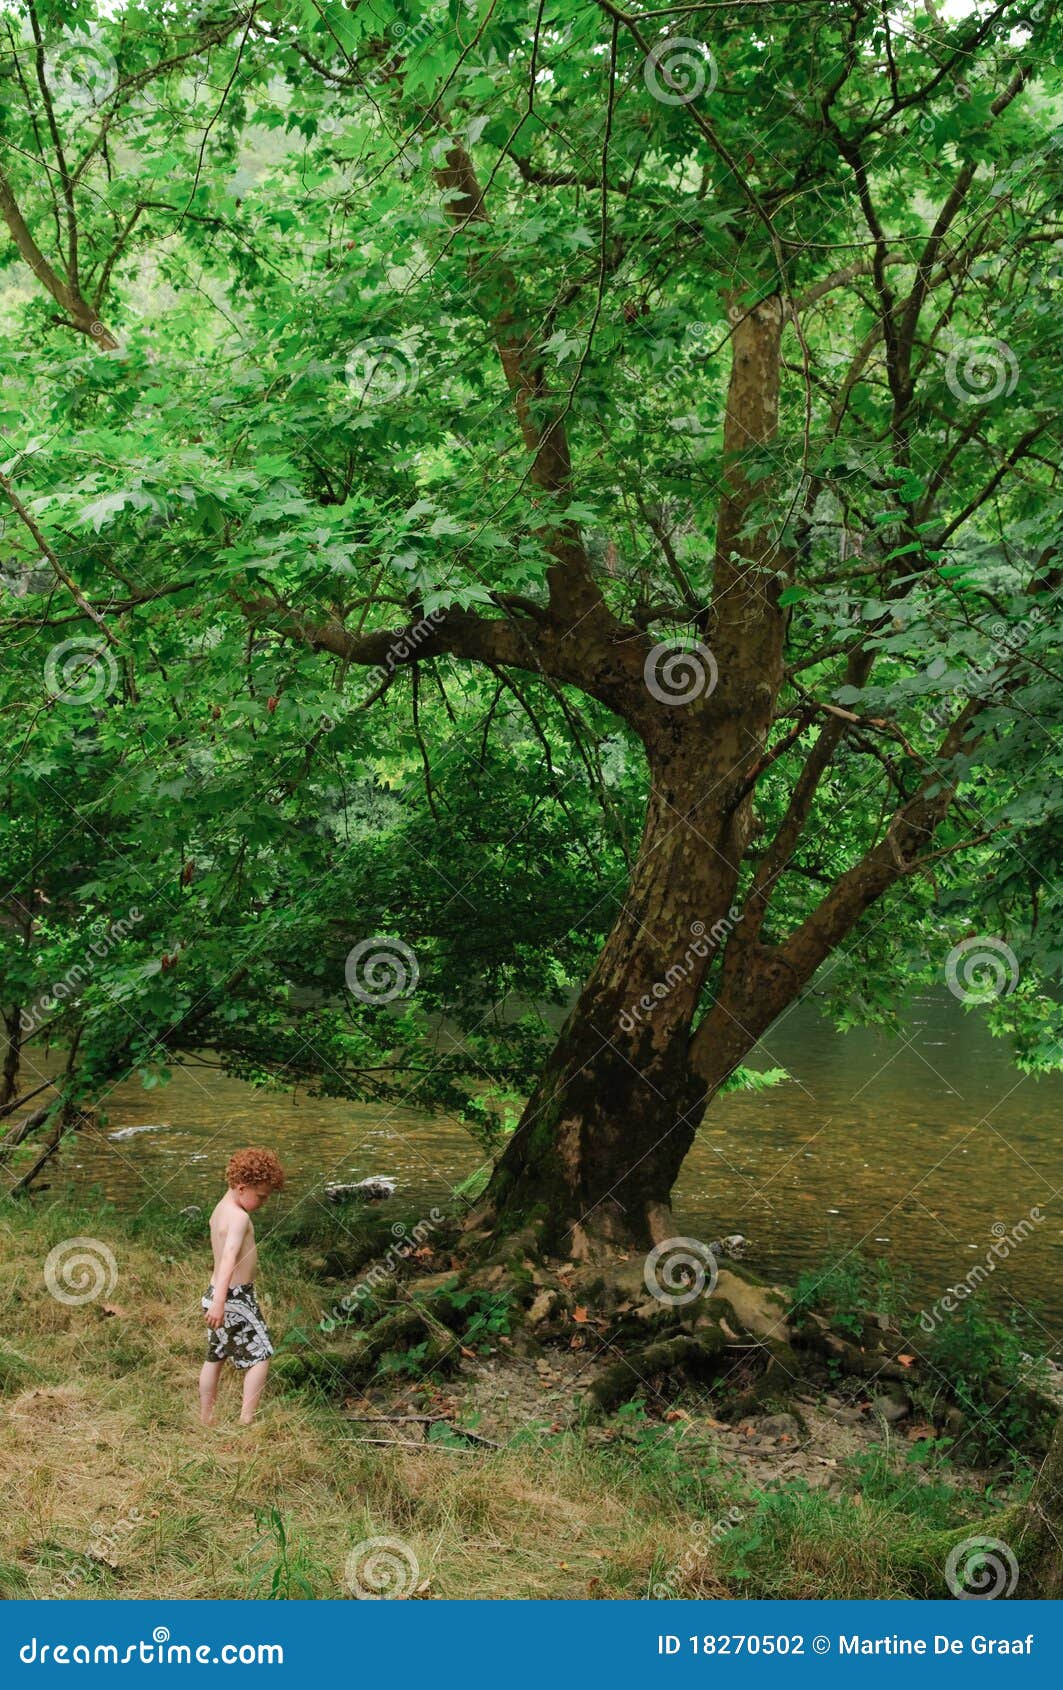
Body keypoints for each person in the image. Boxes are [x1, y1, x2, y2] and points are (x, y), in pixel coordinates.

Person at [199, 1147, 285, 1426]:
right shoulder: (239, 1217)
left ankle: (206, 1418)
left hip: (214, 1294)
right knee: (262, 1355)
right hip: (233, 1298)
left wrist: (215, 1299)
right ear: (241, 1187)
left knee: (215, 1356)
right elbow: (228, 1257)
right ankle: (247, 1419)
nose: (264, 1202)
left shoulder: (219, 1210)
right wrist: (221, 1302)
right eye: (261, 1196)